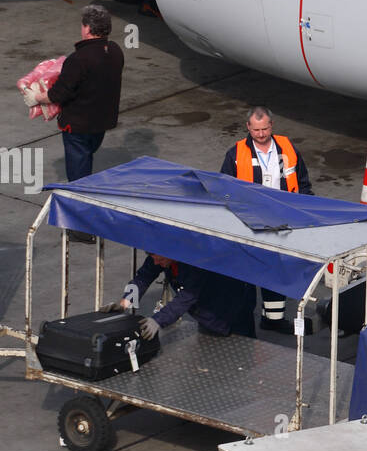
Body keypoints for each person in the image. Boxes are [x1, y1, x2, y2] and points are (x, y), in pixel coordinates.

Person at [220, 108, 312, 330]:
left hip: (283, 219)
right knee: (252, 270)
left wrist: (307, 212)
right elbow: (224, 190)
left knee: (279, 268)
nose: (261, 134)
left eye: (265, 129)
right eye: (256, 130)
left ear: (272, 125)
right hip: (252, 222)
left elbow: (302, 180)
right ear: (248, 128)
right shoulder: (236, 154)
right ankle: (243, 317)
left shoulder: (287, 147)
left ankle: (273, 319)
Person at [23, 4, 123, 183]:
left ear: (87, 28)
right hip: (102, 121)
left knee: (78, 174)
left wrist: (36, 97)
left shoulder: (78, 59)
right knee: (87, 157)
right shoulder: (115, 51)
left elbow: (58, 94)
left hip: (78, 125)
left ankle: (79, 202)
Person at [110, 254, 256, 340]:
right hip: (206, 314)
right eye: (152, 258)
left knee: (241, 356)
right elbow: (143, 277)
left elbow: (187, 296)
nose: (156, 263)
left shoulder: (196, 261)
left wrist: (158, 320)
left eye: (159, 260)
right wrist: (125, 302)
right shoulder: (160, 254)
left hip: (232, 308)